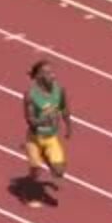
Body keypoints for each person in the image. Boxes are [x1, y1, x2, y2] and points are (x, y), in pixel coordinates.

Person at [22, 59, 72, 207]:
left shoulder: (59, 90)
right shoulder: (30, 95)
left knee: (59, 173)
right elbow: (30, 120)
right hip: (34, 139)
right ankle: (26, 194)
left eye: (52, 72)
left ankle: (45, 156)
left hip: (51, 138)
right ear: (39, 76)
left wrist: (69, 126)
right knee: (35, 172)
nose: (53, 75)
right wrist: (44, 119)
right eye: (48, 73)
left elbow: (64, 109)